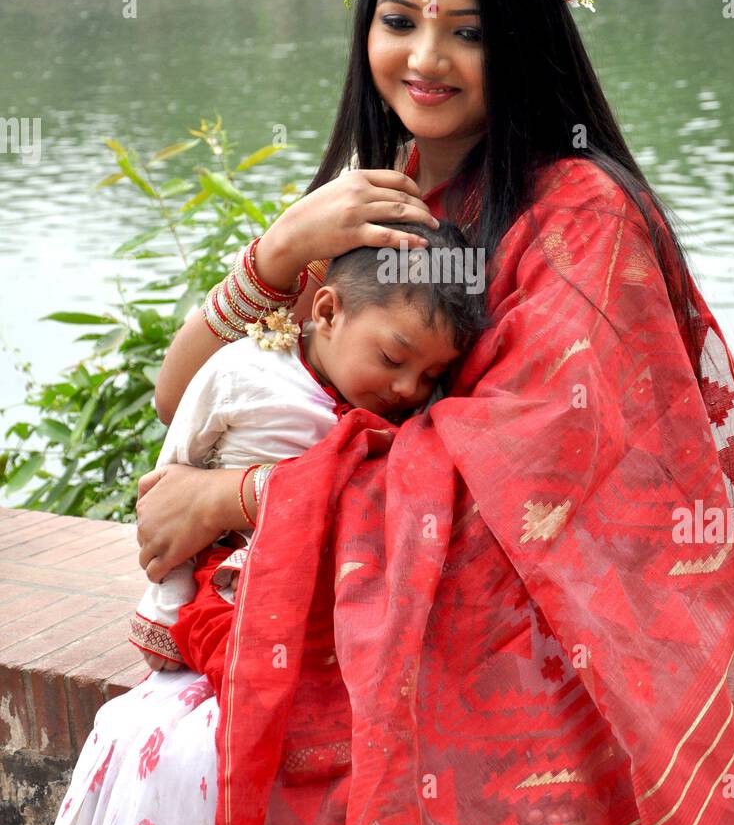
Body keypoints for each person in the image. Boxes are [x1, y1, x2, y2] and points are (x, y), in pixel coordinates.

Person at [25, 0, 734, 825]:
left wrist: (231, 502)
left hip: (536, 649)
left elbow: (518, 502)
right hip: (384, 597)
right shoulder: (390, 197)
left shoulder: (580, 219)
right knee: (142, 740)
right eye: (398, 20)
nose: (425, 57)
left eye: (465, 32)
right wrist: (275, 253)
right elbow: (176, 398)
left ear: (517, 44)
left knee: (184, 756)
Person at [127, 218, 486, 678]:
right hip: (238, 587)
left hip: (343, 596)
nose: (407, 387)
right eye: (392, 359)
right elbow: (173, 490)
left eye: (430, 377)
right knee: (252, 672)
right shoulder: (241, 375)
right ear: (329, 312)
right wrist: (163, 611)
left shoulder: (390, 417)